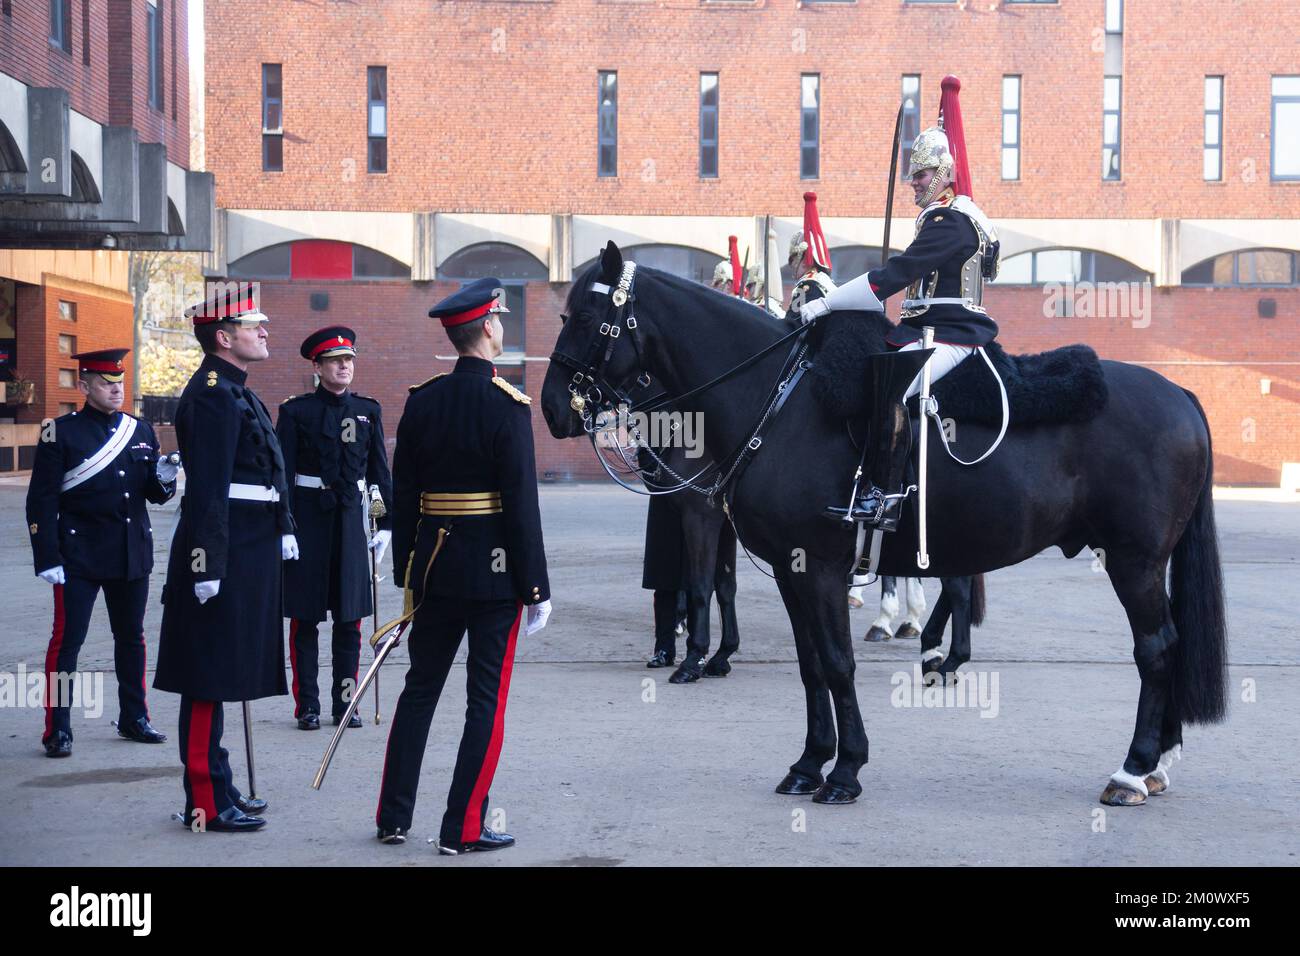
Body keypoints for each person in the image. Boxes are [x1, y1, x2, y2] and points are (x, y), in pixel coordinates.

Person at [376, 277, 551, 855]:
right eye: (499, 319)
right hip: (495, 578)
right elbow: (521, 505)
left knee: (419, 690)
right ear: (487, 328)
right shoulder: (508, 404)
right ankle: (463, 828)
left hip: (434, 569)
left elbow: (405, 497)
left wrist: (408, 569)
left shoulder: (422, 399)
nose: (503, 327)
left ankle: (392, 818)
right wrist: (535, 586)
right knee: (485, 700)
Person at [798, 76, 999, 528]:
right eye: (912, 175)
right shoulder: (944, 220)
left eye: (921, 174)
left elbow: (894, 276)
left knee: (892, 387)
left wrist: (827, 305)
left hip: (952, 334)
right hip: (927, 329)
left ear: (945, 171)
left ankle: (884, 494)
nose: (913, 183)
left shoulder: (952, 222)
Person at [153, 283, 298, 833]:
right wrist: (206, 564)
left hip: (249, 544)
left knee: (226, 668)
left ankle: (221, 783)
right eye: (252, 325)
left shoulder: (237, 390)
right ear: (223, 336)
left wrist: (282, 525)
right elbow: (209, 488)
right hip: (225, 548)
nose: (264, 331)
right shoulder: (213, 393)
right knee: (208, 674)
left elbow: (268, 472)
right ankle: (204, 801)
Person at [25, 349, 175, 758]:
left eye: (120, 383)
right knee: (67, 642)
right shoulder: (61, 432)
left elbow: (154, 495)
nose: (115, 389)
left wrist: (165, 479)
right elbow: (41, 502)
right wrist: (48, 557)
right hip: (79, 555)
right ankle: (57, 728)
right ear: (84, 387)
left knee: (132, 639)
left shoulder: (140, 430)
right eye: (106, 383)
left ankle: (135, 717)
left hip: (130, 553)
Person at [277, 326, 393, 731]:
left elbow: (378, 473)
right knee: (305, 620)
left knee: (350, 621)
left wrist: (385, 524)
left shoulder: (368, 411)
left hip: (350, 521)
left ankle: (346, 704)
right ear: (318, 366)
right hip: (308, 518)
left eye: (349, 360)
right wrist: (284, 527)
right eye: (335, 360)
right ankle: (307, 706)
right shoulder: (295, 412)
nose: (345, 366)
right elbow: (282, 474)